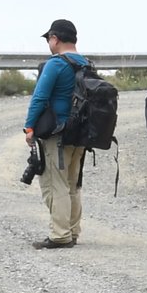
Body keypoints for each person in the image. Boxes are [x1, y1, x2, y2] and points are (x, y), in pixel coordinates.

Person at [22, 19, 91, 249]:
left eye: (49, 39)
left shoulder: (56, 64)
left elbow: (40, 97)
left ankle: (59, 234)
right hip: (80, 134)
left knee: (55, 182)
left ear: (55, 38)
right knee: (72, 183)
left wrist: (29, 126)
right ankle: (72, 231)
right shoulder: (86, 64)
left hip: (58, 134)